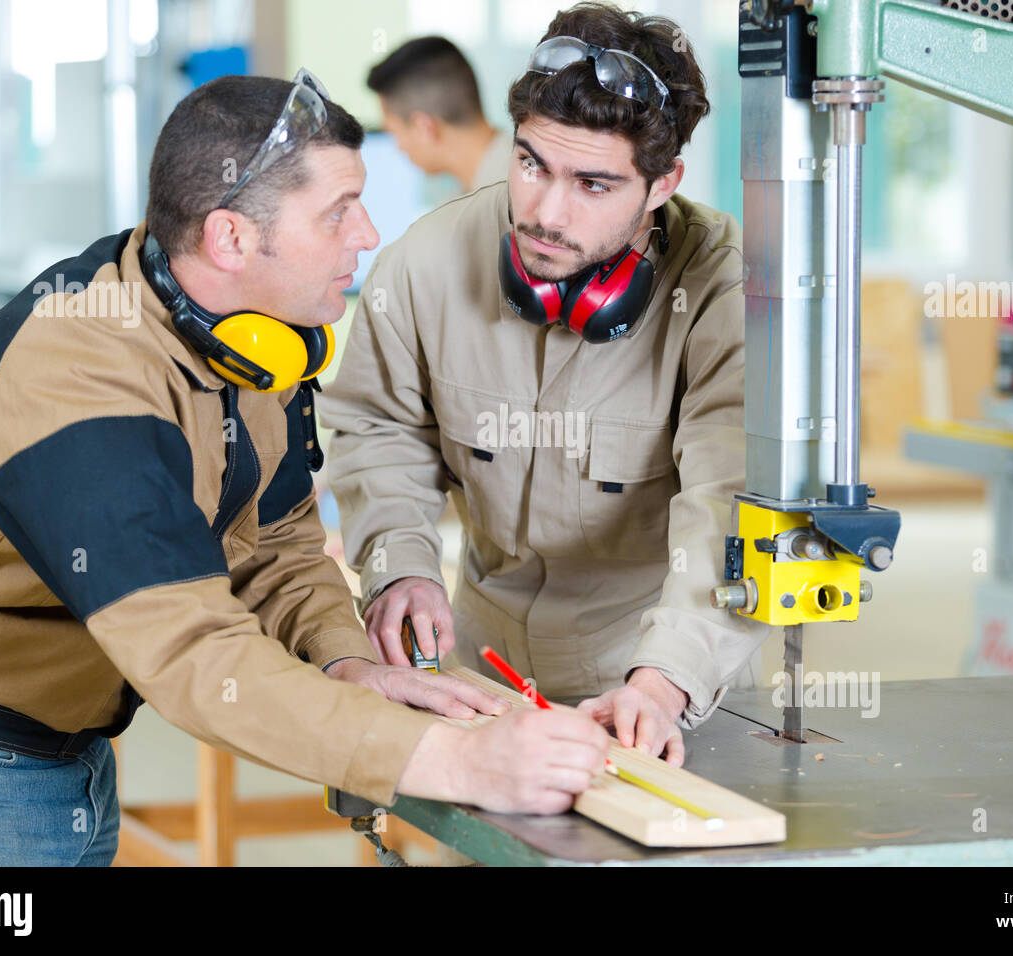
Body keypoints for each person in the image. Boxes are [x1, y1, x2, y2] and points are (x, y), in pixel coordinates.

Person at [0, 70, 609, 867]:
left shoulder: (254, 340)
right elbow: (195, 654)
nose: (368, 233)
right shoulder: (73, 379)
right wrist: (455, 760)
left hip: (66, 743)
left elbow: (280, 542)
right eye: (338, 212)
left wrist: (348, 661)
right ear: (231, 238)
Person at [322, 3, 772, 770]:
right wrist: (399, 565)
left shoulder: (727, 292)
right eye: (532, 164)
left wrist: (664, 686)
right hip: (481, 665)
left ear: (663, 184)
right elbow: (380, 431)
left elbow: (728, 503)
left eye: (594, 184)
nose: (546, 213)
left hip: (664, 674)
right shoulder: (423, 264)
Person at [367, 36, 513, 194]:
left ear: (424, 127)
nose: (399, 147)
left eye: (394, 132)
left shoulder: (517, 199)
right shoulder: (475, 194)